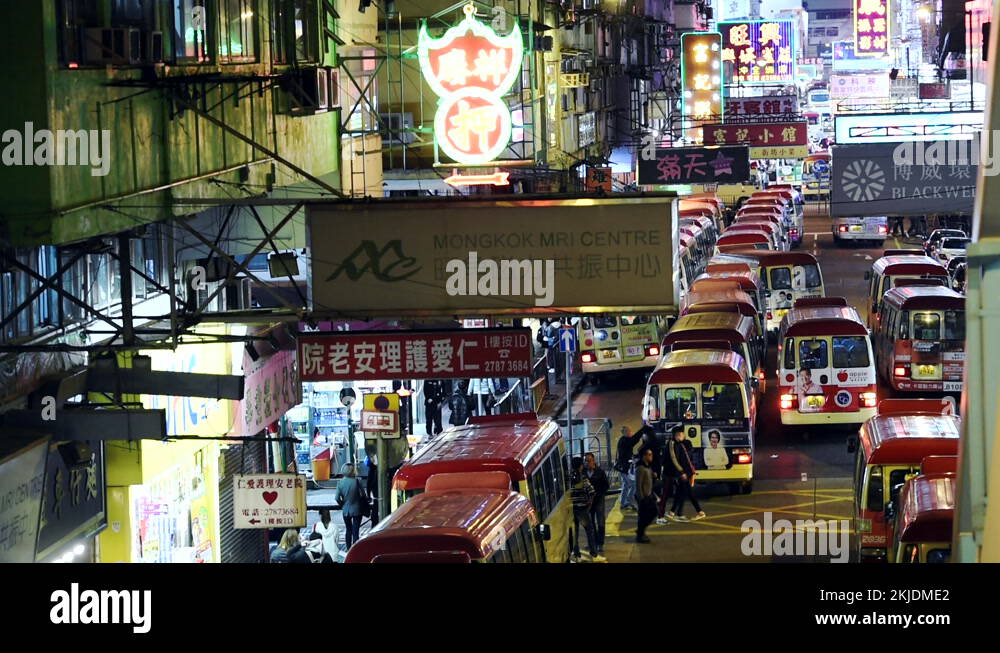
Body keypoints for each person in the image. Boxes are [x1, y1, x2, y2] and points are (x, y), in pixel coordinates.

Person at [665, 426, 706, 521]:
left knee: (687, 492)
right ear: (675, 435)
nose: (681, 436)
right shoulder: (677, 444)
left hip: (685, 472)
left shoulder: (682, 444)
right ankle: (674, 512)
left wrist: (683, 472)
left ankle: (700, 512)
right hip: (685, 472)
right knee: (681, 491)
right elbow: (677, 458)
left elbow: (680, 459)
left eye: (681, 434)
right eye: (679, 434)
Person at [569, 457, 602, 562]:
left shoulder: (568, 479)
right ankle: (593, 551)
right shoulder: (583, 478)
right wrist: (589, 504)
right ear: (580, 466)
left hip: (572, 509)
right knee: (590, 530)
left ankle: (576, 551)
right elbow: (592, 492)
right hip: (583, 509)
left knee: (575, 532)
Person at [335, 463, 368, 549]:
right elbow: (363, 495)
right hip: (357, 509)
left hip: (346, 510)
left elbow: (337, 498)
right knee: (355, 531)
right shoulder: (357, 481)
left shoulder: (340, 483)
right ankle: (355, 549)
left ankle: (348, 548)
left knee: (348, 530)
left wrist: (342, 504)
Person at [584, 452, 609, 558]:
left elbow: (606, 485)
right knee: (590, 523)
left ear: (594, 460)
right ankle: (593, 542)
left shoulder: (600, 472)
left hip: (598, 500)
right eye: (586, 460)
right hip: (588, 502)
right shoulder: (583, 472)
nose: (587, 462)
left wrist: (598, 493)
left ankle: (600, 543)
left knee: (600, 522)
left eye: (589, 460)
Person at [615, 426, 643, 511]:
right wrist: (641, 431)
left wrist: (634, 457)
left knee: (626, 485)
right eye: (630, 431)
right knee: (632, 484)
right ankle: (628, 501)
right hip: (624, 467)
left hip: (625, 467)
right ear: (625, 432)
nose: (631, 432)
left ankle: (624, 503)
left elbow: (628, 452)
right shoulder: (624, 441)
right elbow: (633, 441)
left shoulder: (624, 440)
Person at [635, 448, 656, 543]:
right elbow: (638, 485)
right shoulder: (640, 468)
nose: (651, 456)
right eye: (649, 454)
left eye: (651, 454)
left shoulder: (648, 467)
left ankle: (640, 531)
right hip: (644, 497)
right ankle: (640, 534)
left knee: (652, 513)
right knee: (645, 516)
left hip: (649, 495)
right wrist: (641, 499)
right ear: (644, 456)